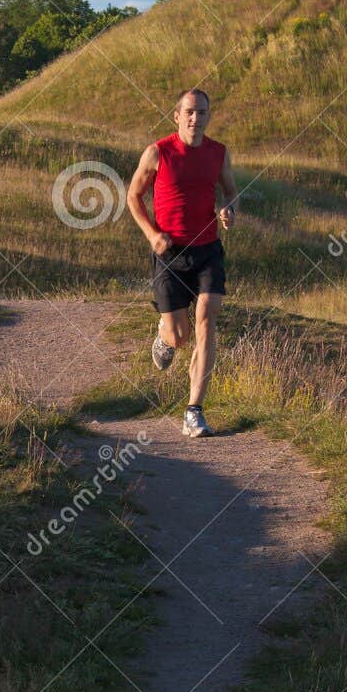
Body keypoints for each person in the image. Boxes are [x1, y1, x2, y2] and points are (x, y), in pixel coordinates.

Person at [125, 87, 238, 438]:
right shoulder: (158, 153)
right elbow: (133, 196)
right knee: (180, 335)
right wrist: (151, 234)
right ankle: (164, 336)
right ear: (177, 116)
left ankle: (194, 411)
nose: (195, 118)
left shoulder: (219, 153)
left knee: (207, 321)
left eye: (202, 112)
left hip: (207, 250)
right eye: (189, 112)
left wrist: (229, 209)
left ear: (208, 115)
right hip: (169, 252)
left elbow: (231, 191)